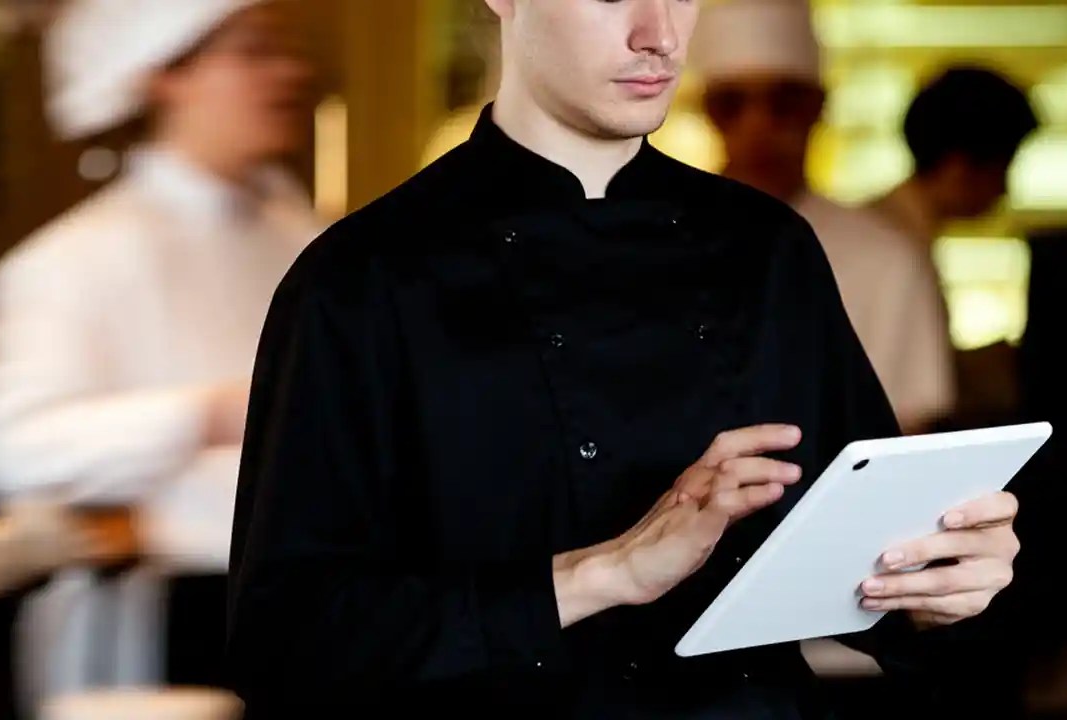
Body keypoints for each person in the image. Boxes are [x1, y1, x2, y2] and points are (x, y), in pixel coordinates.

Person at [223, 0, 1021, 717]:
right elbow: (286, 643)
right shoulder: (362, 279)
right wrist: (604, 574)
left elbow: (870, 568)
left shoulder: (768, 250)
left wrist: (940, 588)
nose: (660, 36)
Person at [0, 0, 318, 707]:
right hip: (162, 630)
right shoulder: (74, 260)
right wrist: (212, 414)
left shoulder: (292, 230)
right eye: (253, 52)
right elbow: (7, 446)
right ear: (164, 76)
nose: (287, 73)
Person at [688, 0, 955, 435]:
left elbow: (908, 433)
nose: (759, 127)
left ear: (818, 108)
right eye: (733, 104)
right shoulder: (650, 245)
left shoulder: (887, 258)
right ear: (709, 114)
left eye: (784, 103)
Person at [870, 65, 1039, 253]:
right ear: (958, 167)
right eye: (1000, 172)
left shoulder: (891, 228)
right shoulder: (894, 243)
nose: (1003, 191)